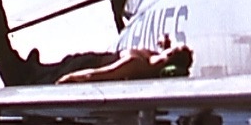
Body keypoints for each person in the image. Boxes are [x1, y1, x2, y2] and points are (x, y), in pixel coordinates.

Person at [56, 38, 192, 83]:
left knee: (62, 68)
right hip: (97, 58)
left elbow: (96, 74)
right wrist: (164, 43)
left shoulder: (136, 64)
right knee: (66, 61)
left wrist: (70, 77)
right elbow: (166, 49)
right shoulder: (155, 56)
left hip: (91, 64)